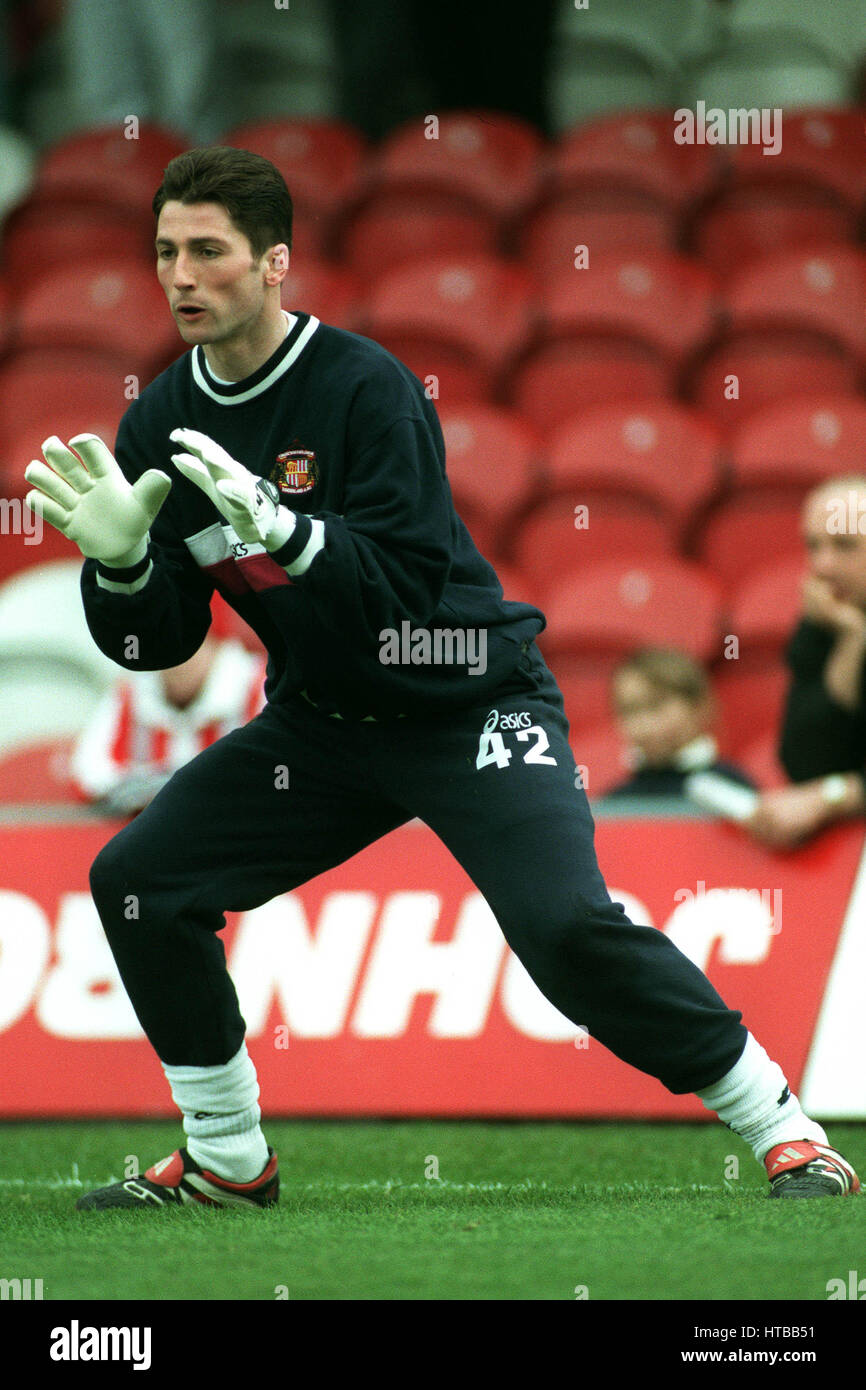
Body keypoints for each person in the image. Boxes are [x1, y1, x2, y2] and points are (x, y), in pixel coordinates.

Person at [23, 146, 858, 1209]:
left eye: (207, 252)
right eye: (163, 253)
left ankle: (790, 1135)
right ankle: (228, 1158)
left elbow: (409, 593)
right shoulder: (161, 420)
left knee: (563, 929)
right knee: (139, 881)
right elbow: (154, 645)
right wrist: (124, 567)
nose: (180, 276)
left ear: (274, 261)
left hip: (469, 696)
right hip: (323, 727)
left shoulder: (363, 387)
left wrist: (289, 528)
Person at [748, 473, 866, 850]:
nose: (822, 565)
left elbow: (820, 787)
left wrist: (833, 795)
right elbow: (805, 762)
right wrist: (852, 642)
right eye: (813, 546)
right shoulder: (827, 624)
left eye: (844, 545)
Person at [69, 603, 266, 817]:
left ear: (216, 644)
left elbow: (280, 776)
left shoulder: (260, 687)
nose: (176, 662)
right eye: (164, 646)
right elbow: (87, 770)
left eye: (189, 646)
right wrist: (141, 789)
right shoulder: (134, 688)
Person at [602, 646, 757, 802]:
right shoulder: (616, 803)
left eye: (655, 705)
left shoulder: (733, 790)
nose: (644, 724)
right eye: (629, 710)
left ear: (698, 706)